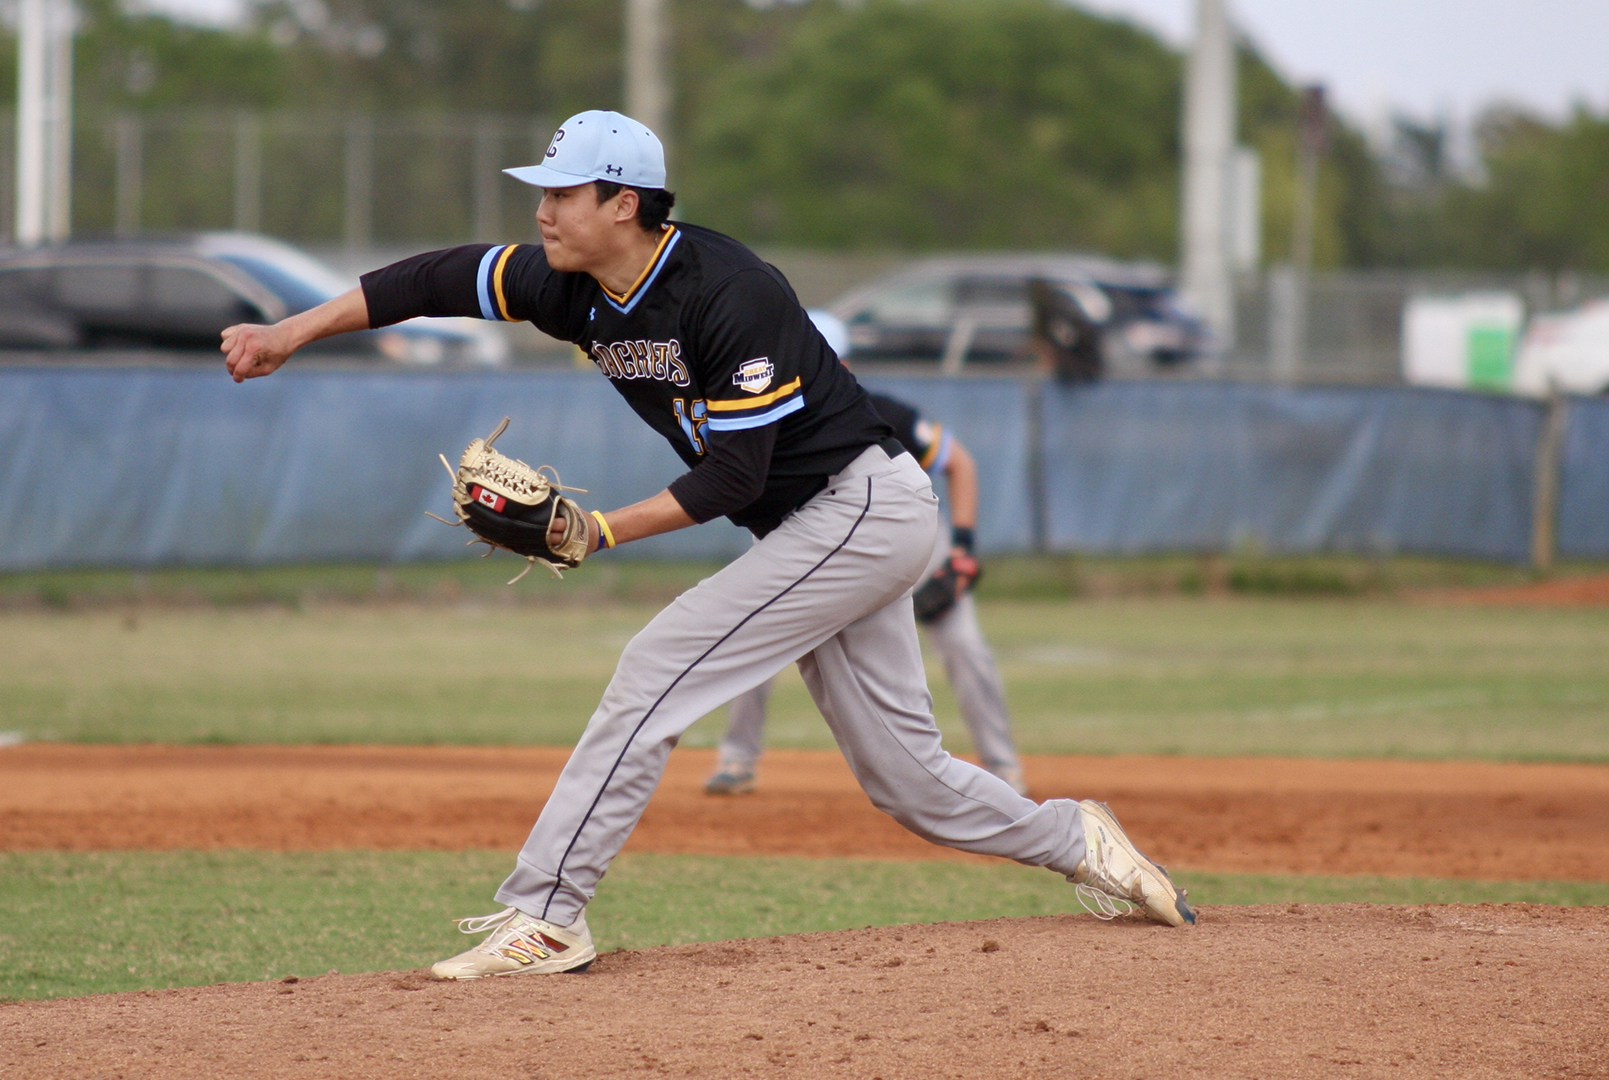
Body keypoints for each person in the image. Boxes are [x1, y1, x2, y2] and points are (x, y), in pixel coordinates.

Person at [220, 110, 1194, 981]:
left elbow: (734, 476)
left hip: (861, 509)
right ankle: (1078, 838)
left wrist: (596, 531)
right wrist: (291, 332)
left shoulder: (732, 292)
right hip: (817, 525)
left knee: (656, 666)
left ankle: (547, 915)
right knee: (909, 782)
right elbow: (431, 280)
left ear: (624, 203)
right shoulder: (569, 285)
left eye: (562, 193)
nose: (543, 212)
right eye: (542, 194)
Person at [705, 313, 1027, 797]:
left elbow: (960, 464)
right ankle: (737, 758)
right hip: (811, 540)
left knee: (964, 645)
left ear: (843, 364)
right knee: (758, 633)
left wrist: (963, 549)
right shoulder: (766, 420)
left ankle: (1003, 767)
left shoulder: (882, 412)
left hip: (905, 534)